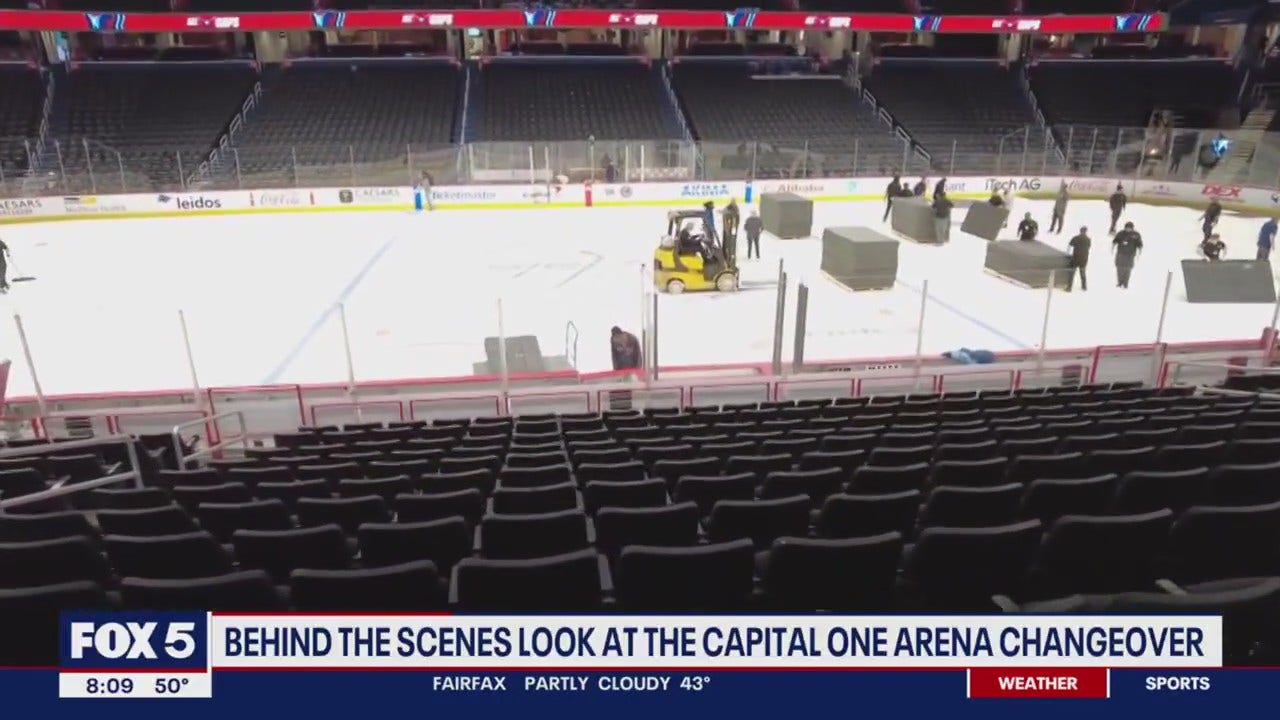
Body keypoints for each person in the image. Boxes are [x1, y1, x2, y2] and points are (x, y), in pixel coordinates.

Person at [1112, 221, 1143, 288]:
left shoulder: (1136, 235)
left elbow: (1139, 243)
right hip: (1120, 254)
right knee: (1119, 268)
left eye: (1129, 228)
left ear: (1132, 228)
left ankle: (1125, 283)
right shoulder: (1121, 233)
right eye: (1127, 227)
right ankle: (1120, 282)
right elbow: (1115, 240)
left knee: (1127, 269)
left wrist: (1140, 248)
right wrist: (1114, 244)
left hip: (1130, 255)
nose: (1128, 229)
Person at [1068, 226, 1091, 291]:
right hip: (1084, 259)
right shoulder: (1088, 239)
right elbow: (1089, 247)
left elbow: (1070, 244)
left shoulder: (1076, 238)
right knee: (1083, 273)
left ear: (1080, 231)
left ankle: (1069, 287)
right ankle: (1084, 287)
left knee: (1072, 273)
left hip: (1076, 258)